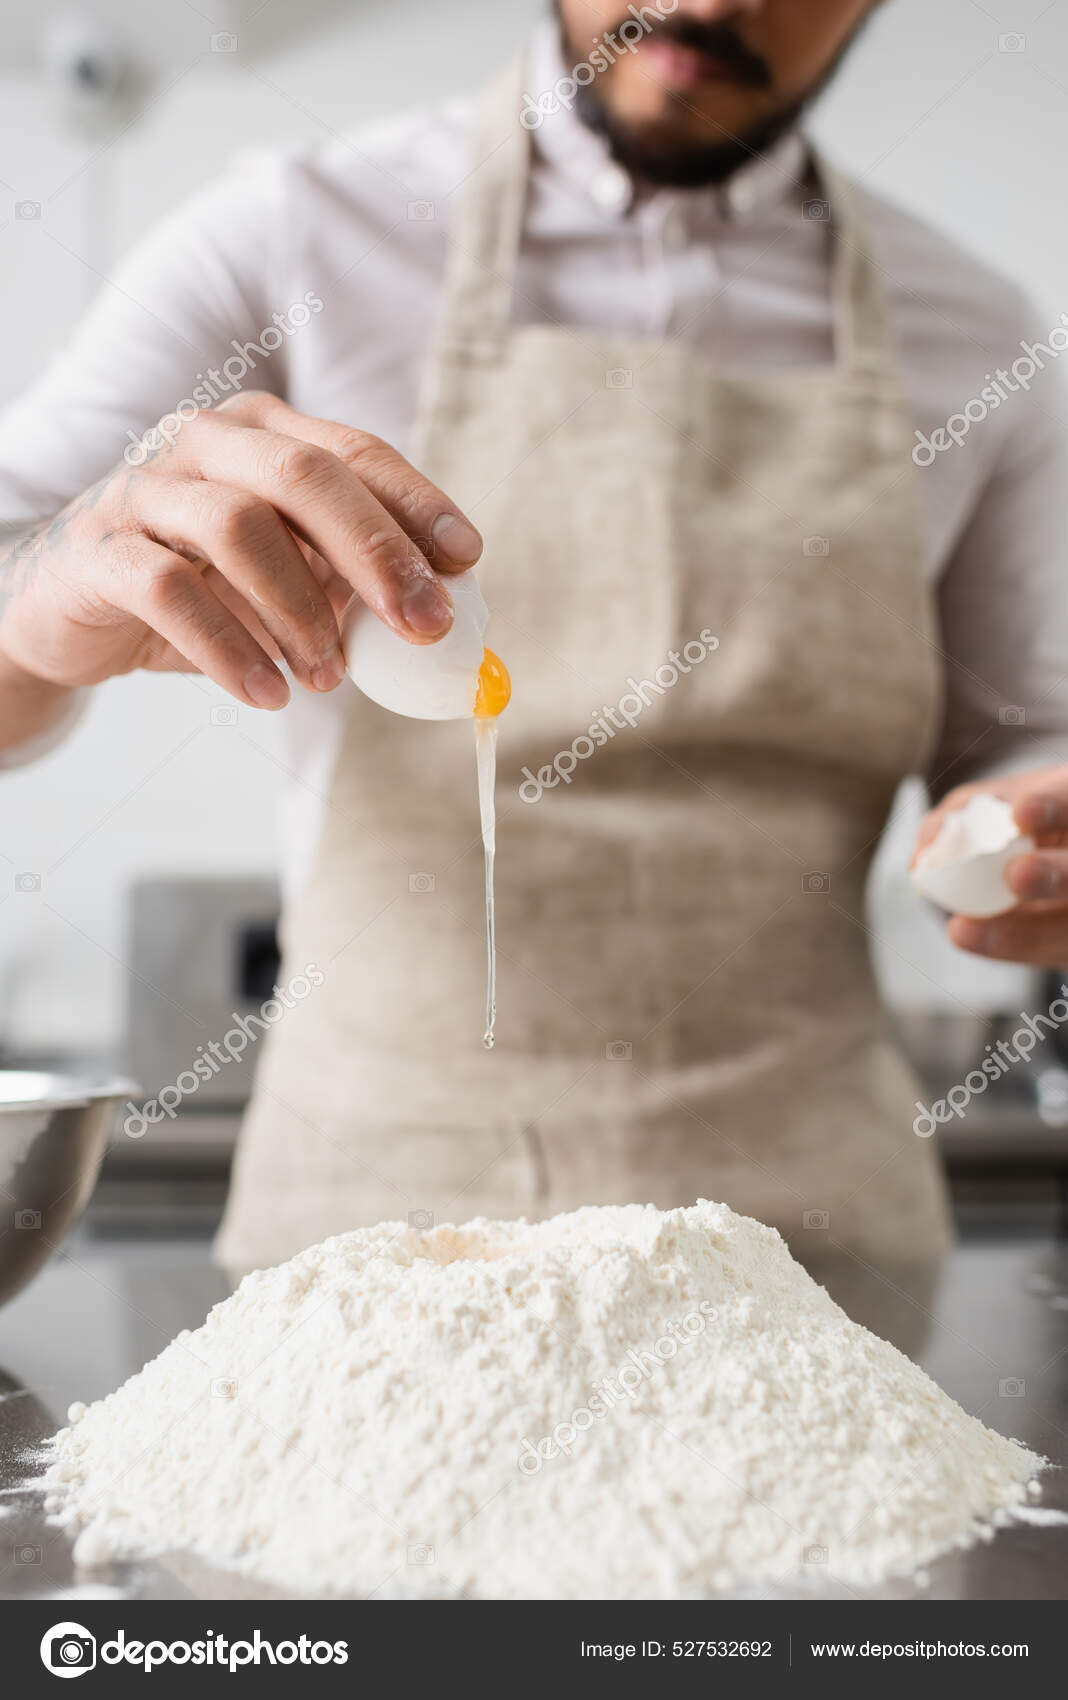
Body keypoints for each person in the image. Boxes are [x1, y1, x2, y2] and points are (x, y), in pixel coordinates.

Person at [1, 1, 1066, 1271]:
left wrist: (1026, 827)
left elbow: (1017, 737)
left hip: (811, 1240)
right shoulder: (295, 231)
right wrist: (44, 603)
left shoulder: (981, 333)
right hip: (378, 1227)